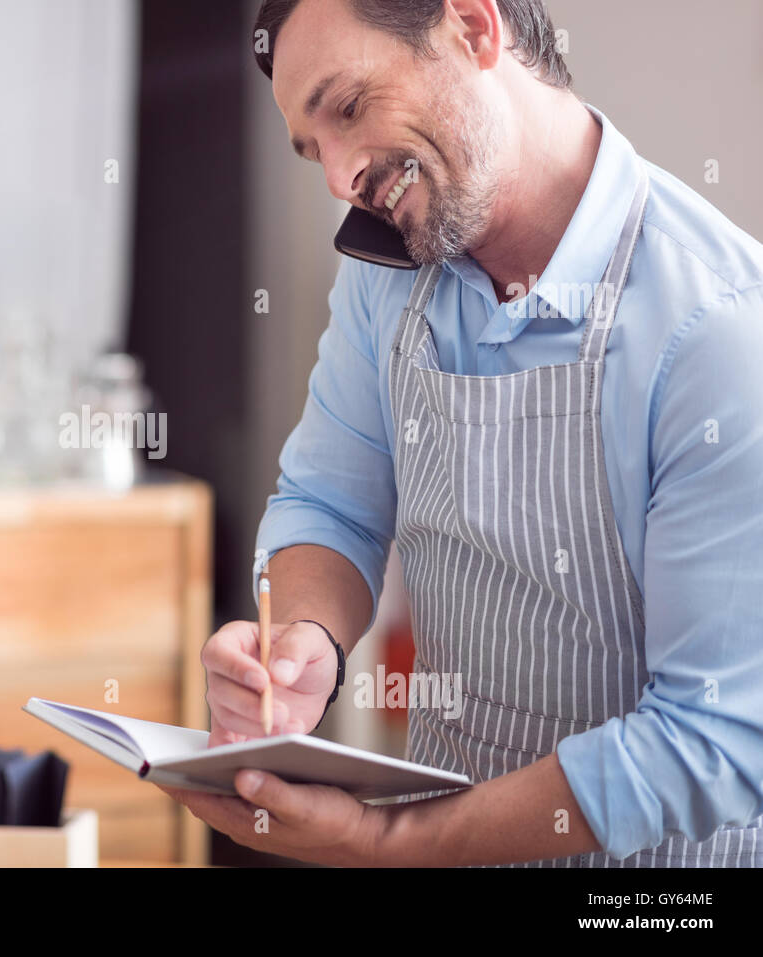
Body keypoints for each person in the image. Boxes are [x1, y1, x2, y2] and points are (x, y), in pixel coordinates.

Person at [158, 0, 763, 866]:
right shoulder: (385, 274)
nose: (339, 179)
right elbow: (331, 502)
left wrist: (388, 840)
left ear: (474, 29)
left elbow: (710, 739)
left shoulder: (717, 325)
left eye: (350, 107)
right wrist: (303, 650)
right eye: (311, 147)